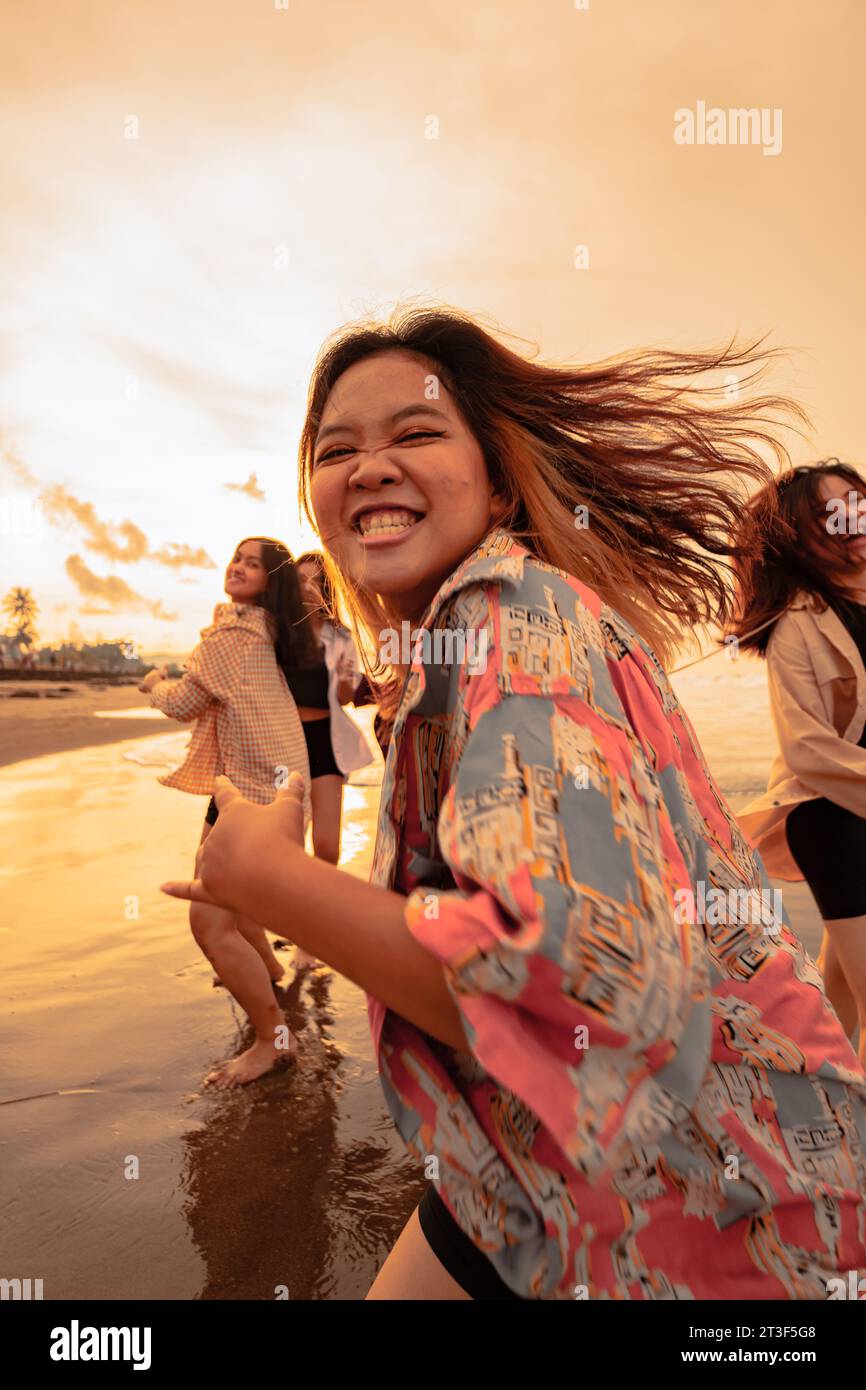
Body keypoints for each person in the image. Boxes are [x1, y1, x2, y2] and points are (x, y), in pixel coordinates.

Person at [162, 307, 866, 1299]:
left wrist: (268, 881)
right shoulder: (464, 634)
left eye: (414, 432)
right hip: (534, 1153)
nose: (367, 465)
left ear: (494, 480)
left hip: (722, 1197)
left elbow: (584, 994)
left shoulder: (513, 624)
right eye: (335, 448)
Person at [140, 536, 312, 1087]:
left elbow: (183, 704)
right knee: (236, 913)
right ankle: (270, 973)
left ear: (270, 581)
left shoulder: (235, 633)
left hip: (252, 793)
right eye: (236, 558)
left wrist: (153, 685)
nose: (238, 567)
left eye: (252, 564)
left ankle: (272, 1039)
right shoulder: (260, 629)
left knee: (209, 922)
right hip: (262, 787)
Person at [735, 461, 866, 1063]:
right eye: (833, 514)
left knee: (838, 995)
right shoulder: (799, 625)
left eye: (859, 503)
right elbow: (805, 750)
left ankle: (814, 1104)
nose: (854, 519)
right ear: (799, 537)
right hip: (834, 818)